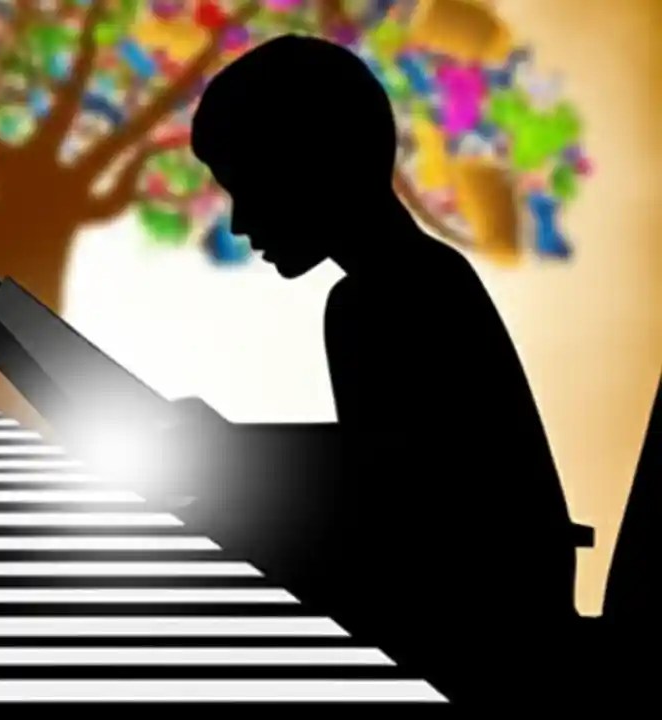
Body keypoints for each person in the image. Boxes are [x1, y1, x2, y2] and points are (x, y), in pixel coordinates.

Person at [186, 34, 583, 706]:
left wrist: (232, 457)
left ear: (314, 170)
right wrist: (234, 449)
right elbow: (386, 465)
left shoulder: (379, 299)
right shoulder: (424, 277)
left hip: (484, 654)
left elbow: (401, 505)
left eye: (249, 188)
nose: (242, 223)